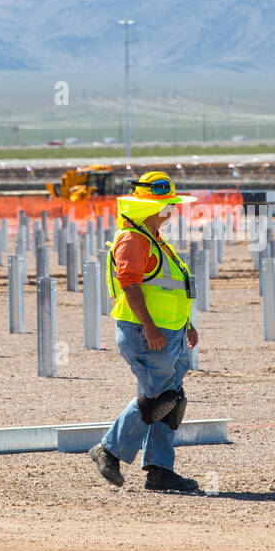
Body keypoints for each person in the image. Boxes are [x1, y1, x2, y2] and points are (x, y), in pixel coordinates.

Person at [88, 171, 203, 493]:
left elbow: (168, 289)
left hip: (171, 334)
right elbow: (130, 285)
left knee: (172, 400)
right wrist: (150, 327)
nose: (170, 211)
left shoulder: (155, 240)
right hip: (146, 333)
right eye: (164, 206)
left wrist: (187, 325)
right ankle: (108, 449)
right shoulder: (133, 240)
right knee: (159, 398)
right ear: (146, 209)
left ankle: (159, 470)